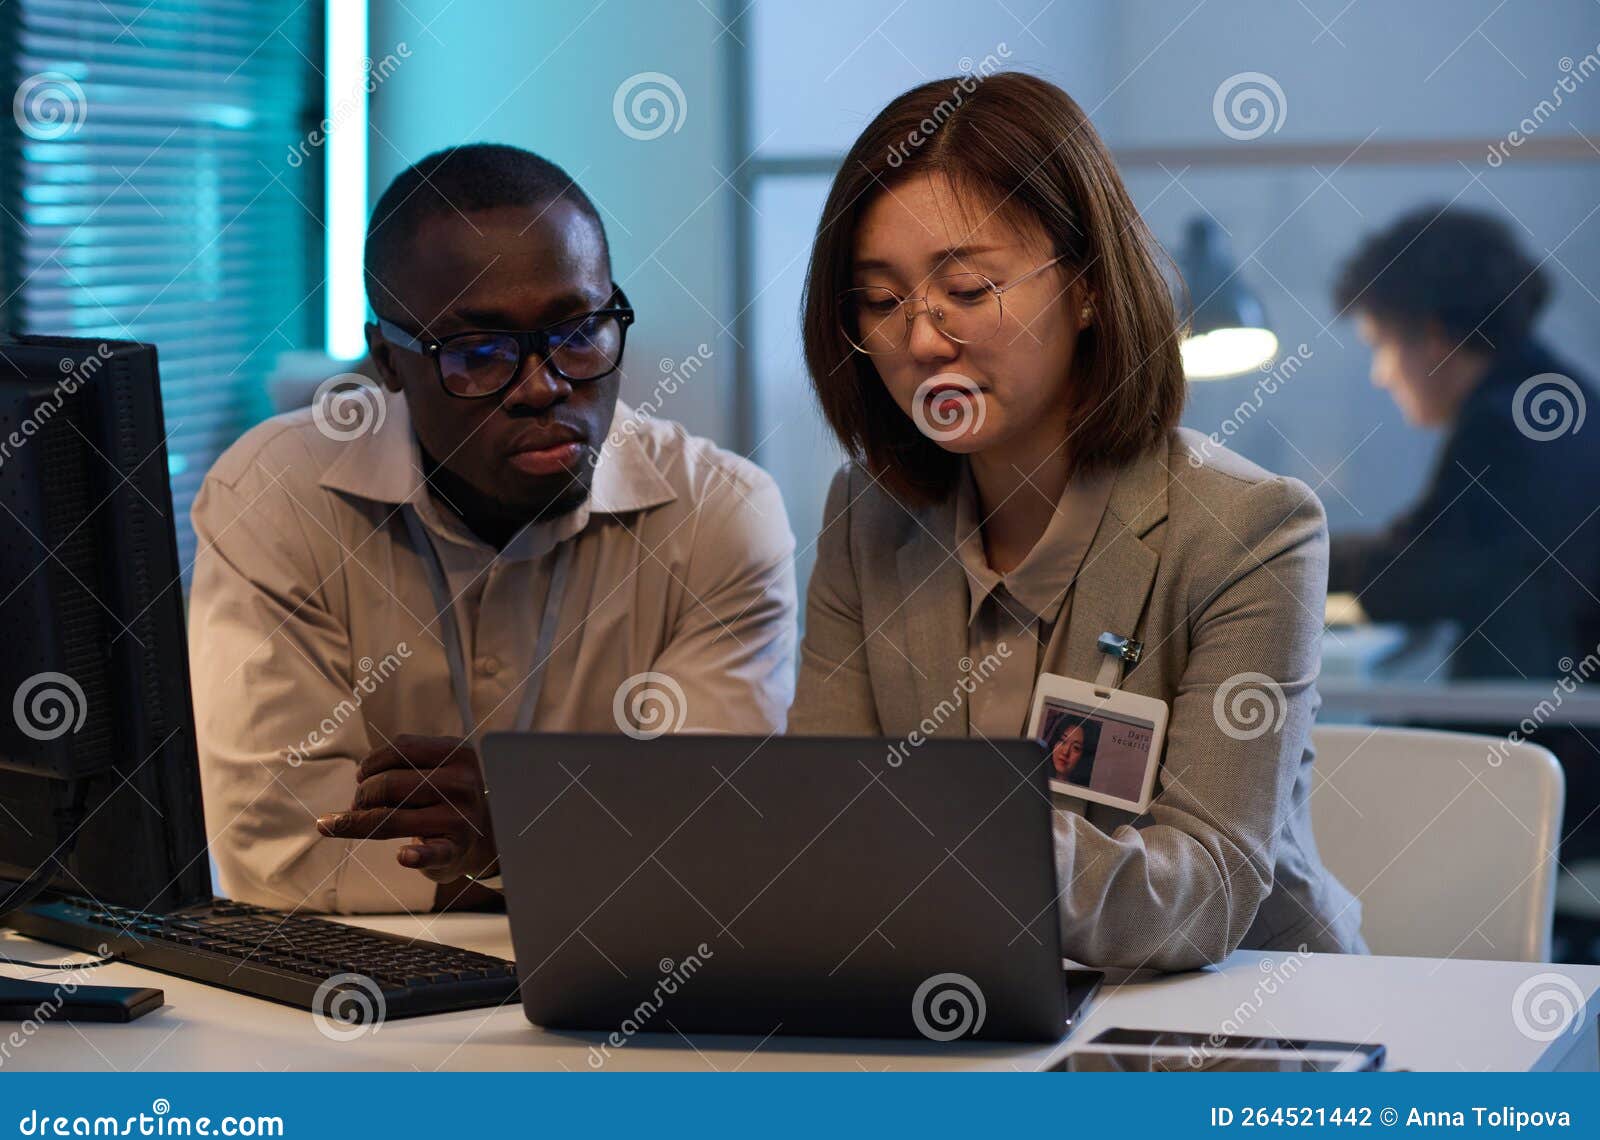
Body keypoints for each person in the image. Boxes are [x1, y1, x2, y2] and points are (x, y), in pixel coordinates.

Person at [787, 72, 1366, 970]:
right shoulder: (868, 516)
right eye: (879, 300)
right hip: (959, 1006)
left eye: (968, 288)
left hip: (1238, 1031)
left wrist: (929, 845)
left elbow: (1201, 894)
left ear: (1089, 287)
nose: (922, 340)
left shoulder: (1250, 530)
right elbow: (822, 823)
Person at [189, 144, 797, 915]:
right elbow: (282, 860)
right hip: (346, 1009)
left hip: (632, 1008)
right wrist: (557, 846)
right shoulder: (274, 496)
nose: (543, 387)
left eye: (579, 332)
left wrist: (509, 835)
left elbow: (710, 859)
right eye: (478, 353)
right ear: (386, 362)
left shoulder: (718, 515)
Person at [1329, 205, 1600, 682]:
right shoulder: (1555, 402)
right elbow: (1432, 544)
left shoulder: (1504, 427)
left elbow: (1418, 573)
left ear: (1436, 338)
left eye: (1381, 346)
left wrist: (1293, 553)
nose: (1380, 375)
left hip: (1551, 742)